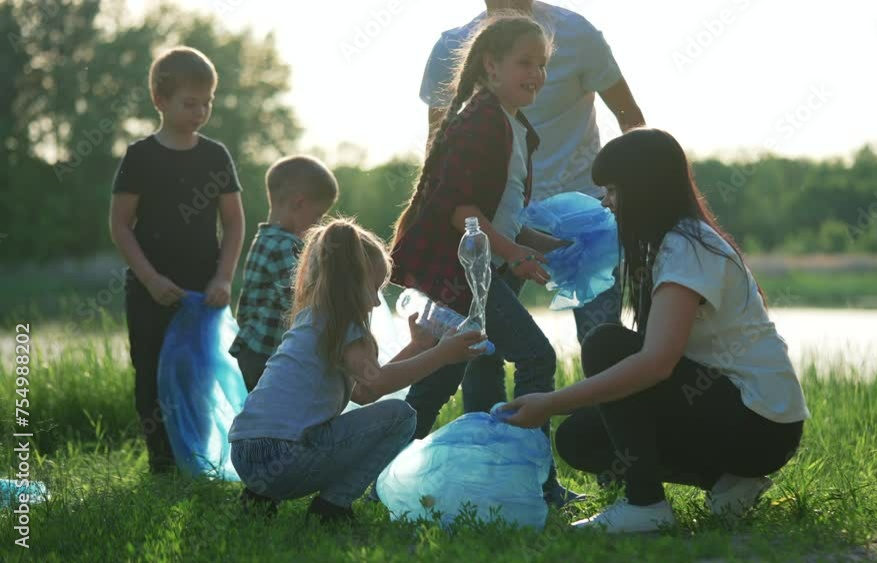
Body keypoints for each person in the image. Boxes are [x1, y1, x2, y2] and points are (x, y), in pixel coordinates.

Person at [502, 129, 810, 533]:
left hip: (761, 425)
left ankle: (645, 506)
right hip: (733, 413)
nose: (606, 202)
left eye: (613, 190)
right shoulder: (671, 244)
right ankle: (727, 482)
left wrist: (551, 401)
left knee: (606, 344)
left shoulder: (688, 247)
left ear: (643, 189)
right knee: (580, 437)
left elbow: (655, 365)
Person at [391, 14, 581, 506]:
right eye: (525, 63)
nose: (537, 74)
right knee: (536, 355)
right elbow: (462, 212)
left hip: (481, 269)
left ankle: (388, 474)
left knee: (445, 377)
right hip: (460, 274)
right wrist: (514, 251)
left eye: (542, 65)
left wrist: (544, 245)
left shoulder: (513, 124)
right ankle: (538, 484)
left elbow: (504, 214)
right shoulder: (481, 120)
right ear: (491, 65)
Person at [229, 219, 485, 523]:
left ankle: (259, 498)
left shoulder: (313, 318)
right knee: (402, 417)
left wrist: (418, 346)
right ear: (351, 282)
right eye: (374, 289)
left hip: (246, 455)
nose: (377, 301)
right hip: (285, 459)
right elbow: (375, 387)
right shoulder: (345, 325)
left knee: (382, 414)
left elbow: (364, 391)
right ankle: (332, 508)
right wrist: (442, 354)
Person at [421, 0, 646, 345]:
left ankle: (600, 399)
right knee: (482, 348)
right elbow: (437, 147)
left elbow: (630, 117)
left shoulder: (576, 32)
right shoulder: (451, 46)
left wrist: (633, 194)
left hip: (585, 214)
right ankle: (499, 402)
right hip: (494, 223)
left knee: (601, 338)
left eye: (538, 64)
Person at [109, 46, 245, 474]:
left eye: (208, 102)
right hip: (151, 291)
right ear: (160, 100)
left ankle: (198, 459)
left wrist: (223, 278)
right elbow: (120, 225)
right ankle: (162, 464)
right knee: (149, 374)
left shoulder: (216, 156)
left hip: (204, 290)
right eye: (191, 103)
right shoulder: (140, 157)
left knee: (200, 373)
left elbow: (235, 224)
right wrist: (149, 278)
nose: (201, 111)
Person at [229, 155, 339, 391]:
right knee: (272, 419)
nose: (318, 224)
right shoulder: (287, 247)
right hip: (267, 356)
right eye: (318, 216)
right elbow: (300, 300)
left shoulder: (264, 238)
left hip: (252, 349)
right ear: (298, 204)